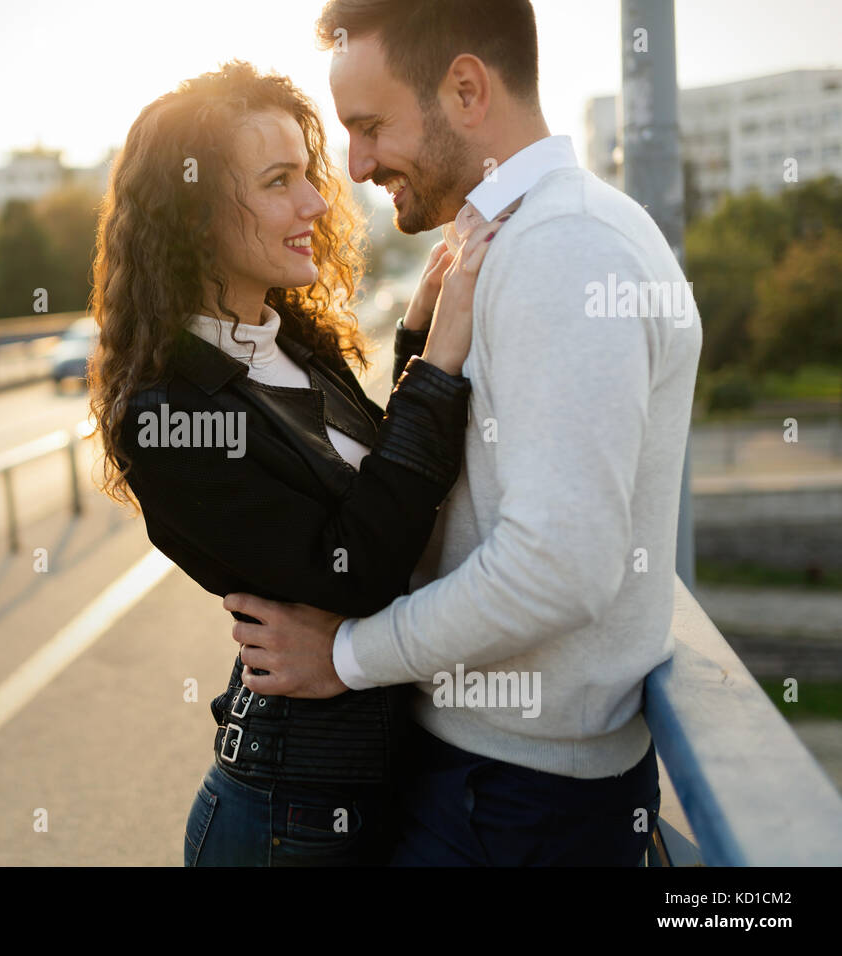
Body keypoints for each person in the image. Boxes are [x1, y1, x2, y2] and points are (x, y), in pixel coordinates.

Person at [221, 0, 704, 866]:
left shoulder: (568, 253)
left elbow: (559, 566)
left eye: (369, 127)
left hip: (516, 803)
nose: (356, 166)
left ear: (468, 89)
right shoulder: (510, 241)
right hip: (485, 778)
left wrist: (348, 654)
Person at [87, 59, 507, 866]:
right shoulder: (167, 417)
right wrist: (441, 372)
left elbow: (379, 482)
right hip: (290, 814)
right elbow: (359, 567)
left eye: (307, 175)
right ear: (193, 216)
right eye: (280, 181)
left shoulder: (290, 342)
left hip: (379, 780)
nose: (318, 202)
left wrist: (418, 340)